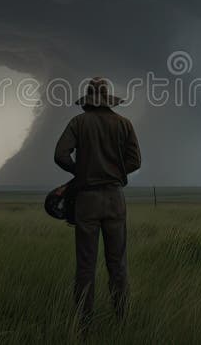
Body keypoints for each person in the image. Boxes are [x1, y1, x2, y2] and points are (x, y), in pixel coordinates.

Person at [54, 77, 142, 328]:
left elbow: (60, 155)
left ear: (89, 99)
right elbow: (135, 161)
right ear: (107, 98)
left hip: (87, 200)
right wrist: (115, 173)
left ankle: (83, 326)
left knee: (85, 266)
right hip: (115, 199)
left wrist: (81, 171)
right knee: (118, 265)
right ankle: (123, 322)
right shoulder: (124, 124)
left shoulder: (78, 122)